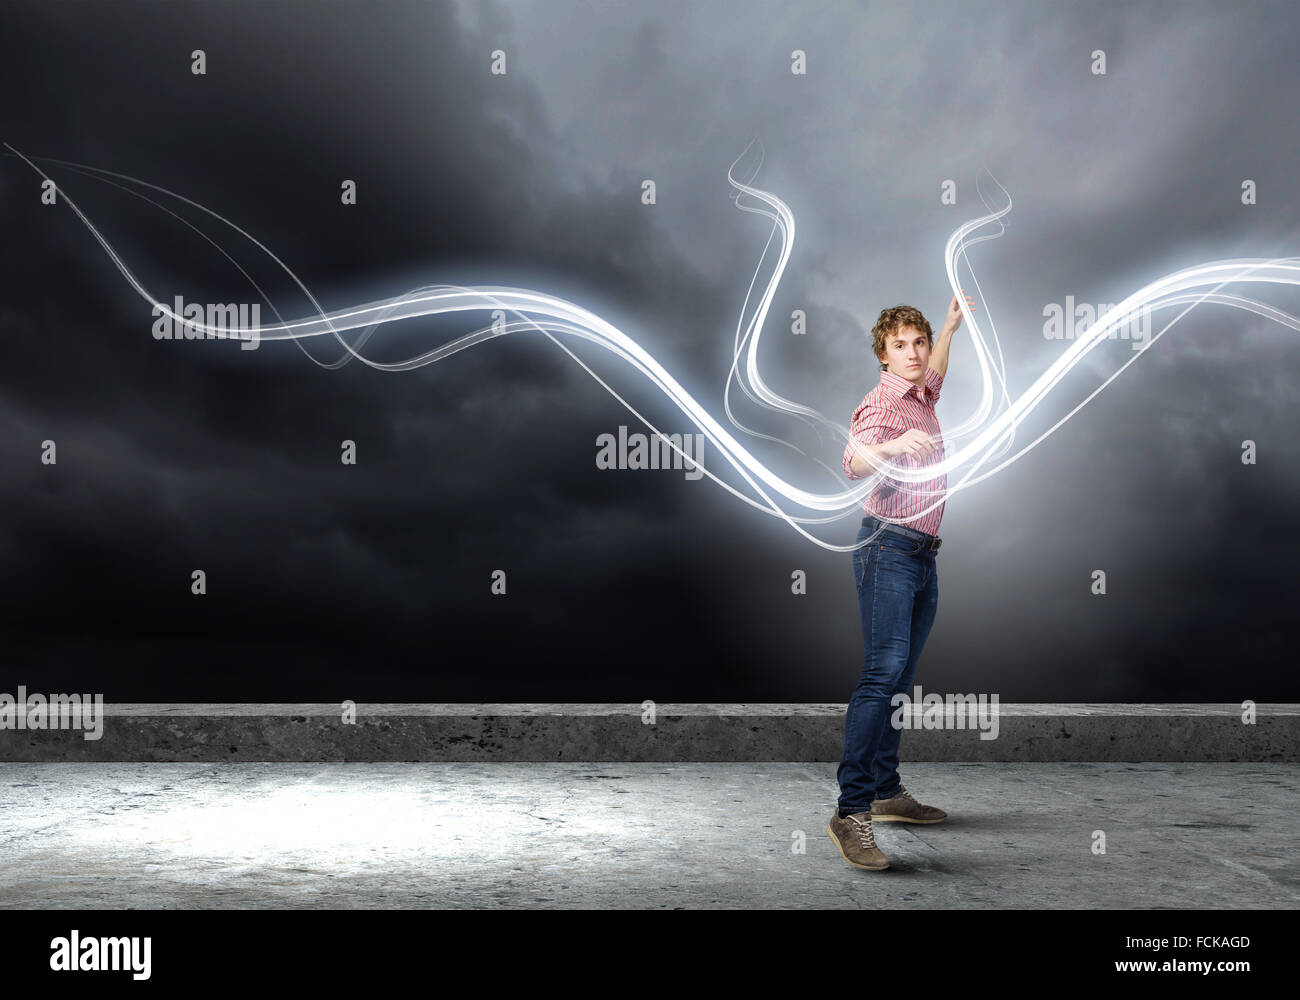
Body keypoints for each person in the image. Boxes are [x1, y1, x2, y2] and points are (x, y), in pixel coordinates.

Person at [826, 291, 973, 871]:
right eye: (900, 346)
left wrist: (952, 328)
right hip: (887, 548)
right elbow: (852, 460)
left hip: (922, 554)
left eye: (918, 342)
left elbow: (934, 372)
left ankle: (886, 792)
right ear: (882, 356)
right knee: (881, 674)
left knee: (901, 678)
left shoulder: (922, 391)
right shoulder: (884, 403)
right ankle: (851, 811)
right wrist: (888, 446)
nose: (914, 354)